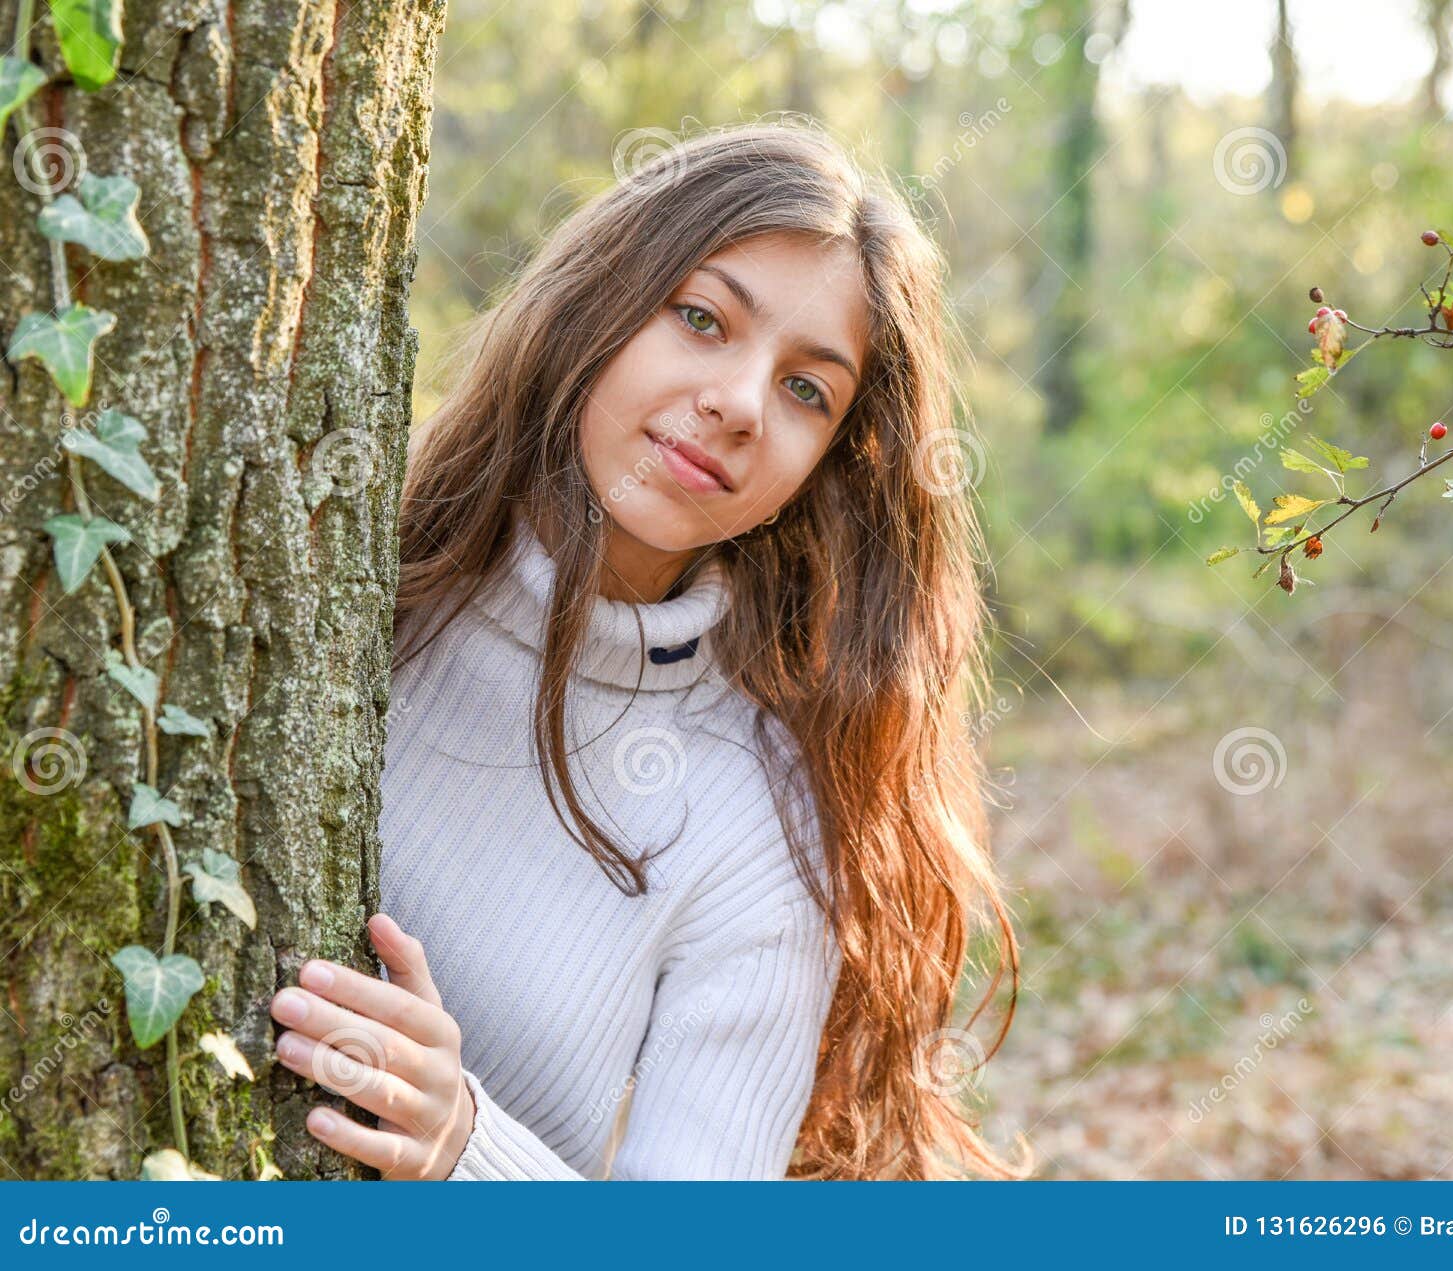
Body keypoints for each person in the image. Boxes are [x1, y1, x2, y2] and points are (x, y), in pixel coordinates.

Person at [266, 121, 1025, 1181]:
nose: (740, 402)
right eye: (703, 318)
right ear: (601, 302)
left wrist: (464, 1143)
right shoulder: (336, 577)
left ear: (825, 468)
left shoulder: (757, 819)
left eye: (808, 389)